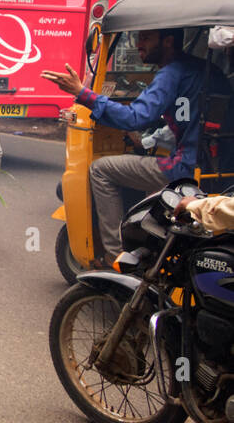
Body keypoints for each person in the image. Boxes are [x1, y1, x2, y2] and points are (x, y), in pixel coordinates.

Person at [42, 28, 210, 263]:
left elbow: (135, 118)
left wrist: (82, 93)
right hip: (212, 165)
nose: (139, 44)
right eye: (138, 37)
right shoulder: (205, 69)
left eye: (147, 38)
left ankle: (115, 258)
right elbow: (188, 117)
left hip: (183, 168)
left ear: (168, 41)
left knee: (100, 170)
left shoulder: (171, 73)